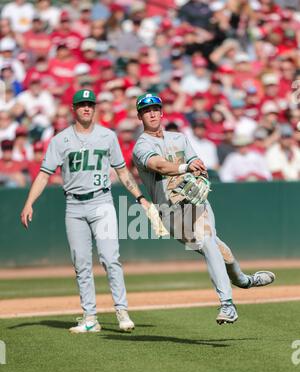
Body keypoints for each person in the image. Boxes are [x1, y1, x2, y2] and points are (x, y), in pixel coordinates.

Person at [133, 93, 275, 325]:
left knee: (208, 240)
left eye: (155, 108)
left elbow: (197, 164)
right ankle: (244, 281)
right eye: (146, 110)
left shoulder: (180, 138)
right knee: (220, 251)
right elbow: (157, 164)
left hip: (194, 203)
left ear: (162, 112)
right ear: (140, 116)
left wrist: (198, 171)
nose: (152, 113)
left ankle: (227, 305)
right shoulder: (142, 145)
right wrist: (185, 166)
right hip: (170, 212)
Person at [21, 88, 149, 334]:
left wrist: (140, 197)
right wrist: (29, 202)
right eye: (82, 104)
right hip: (74, 205)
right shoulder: (60, 140)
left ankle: (122, 311)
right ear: (74, 109)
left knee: (110, 258)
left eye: (90, 104)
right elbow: (44, 174)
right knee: (81, 263)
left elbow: (122, 171)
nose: (87, 108)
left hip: (102, 201)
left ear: (95, 107)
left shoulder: (107, 136)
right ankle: (90, 317)